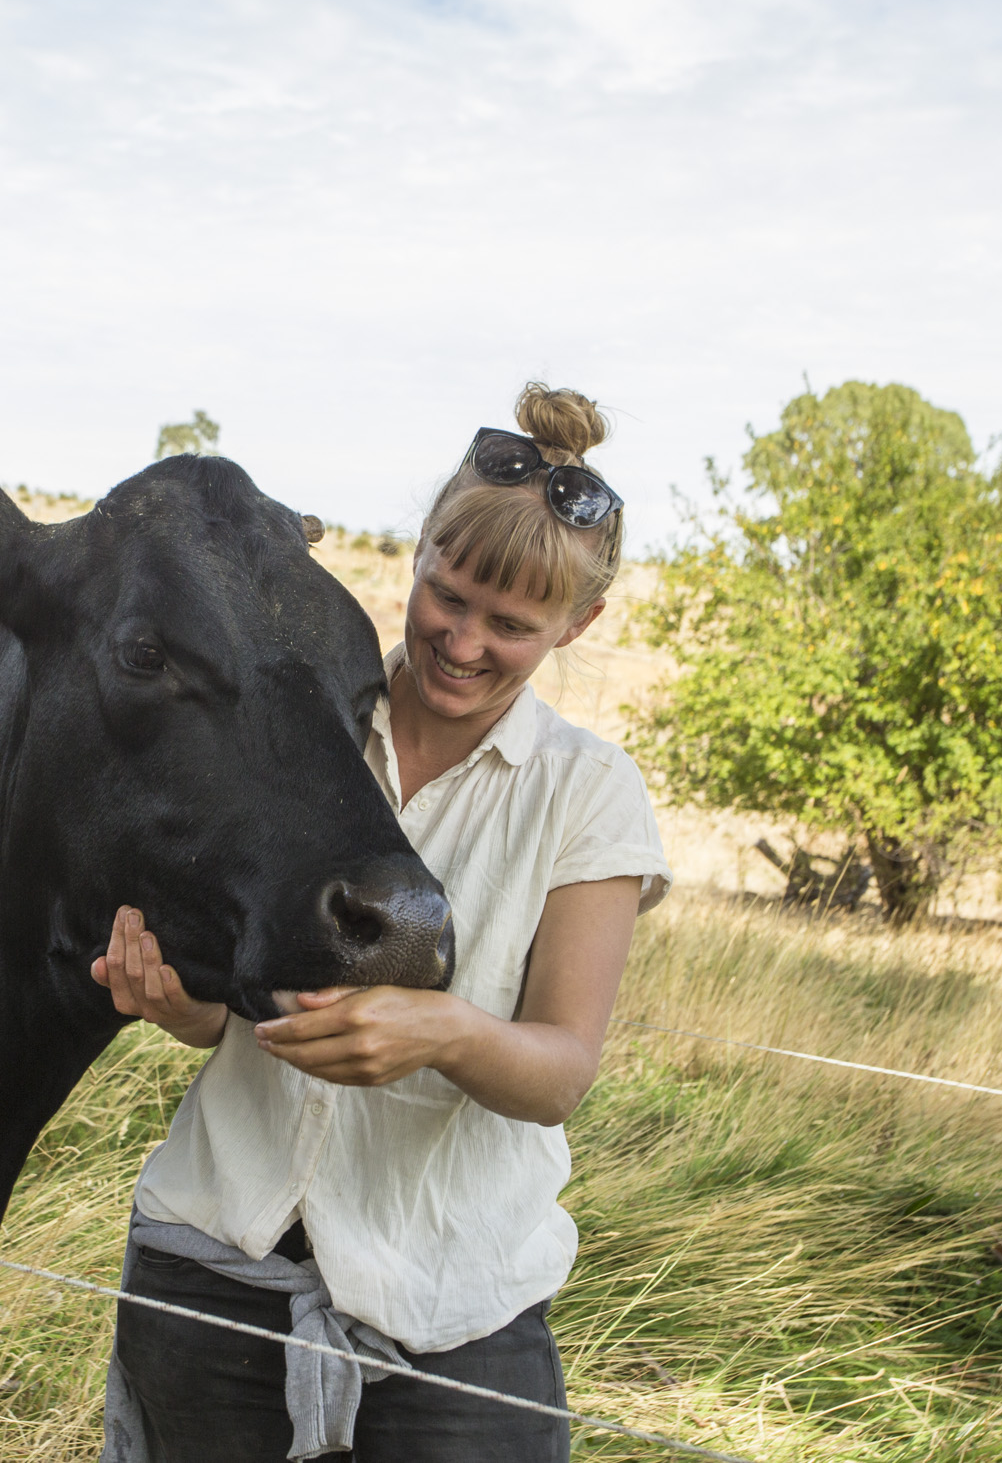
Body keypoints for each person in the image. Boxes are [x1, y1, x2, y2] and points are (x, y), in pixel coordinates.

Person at [92, 383, 671, 1463]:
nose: (462, 641)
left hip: (452, 1312)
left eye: (512, 625)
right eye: (446, 596)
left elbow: (559, 1069)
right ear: (413, 558)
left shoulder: (586, 795)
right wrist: (174, 1003)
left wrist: (443, 1033)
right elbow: (228, 997)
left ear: (579, 624)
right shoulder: (300, 725)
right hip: (212, 1262)